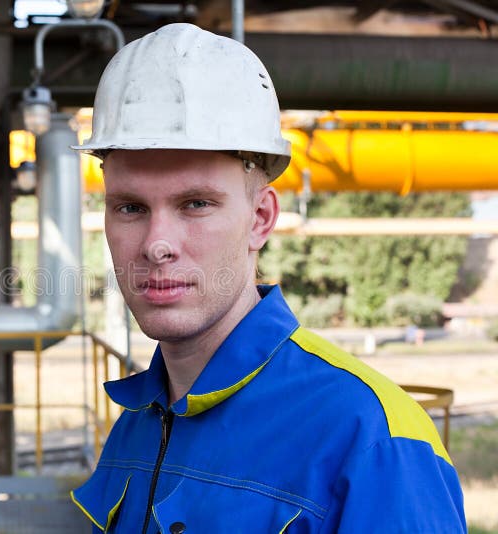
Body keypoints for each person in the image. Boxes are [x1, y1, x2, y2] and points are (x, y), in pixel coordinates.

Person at [70, 23, 465, 533]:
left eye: (195, 204)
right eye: (130, 207)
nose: (156, 243)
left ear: (260, 219)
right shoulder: (137, 425)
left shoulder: (371, 439)